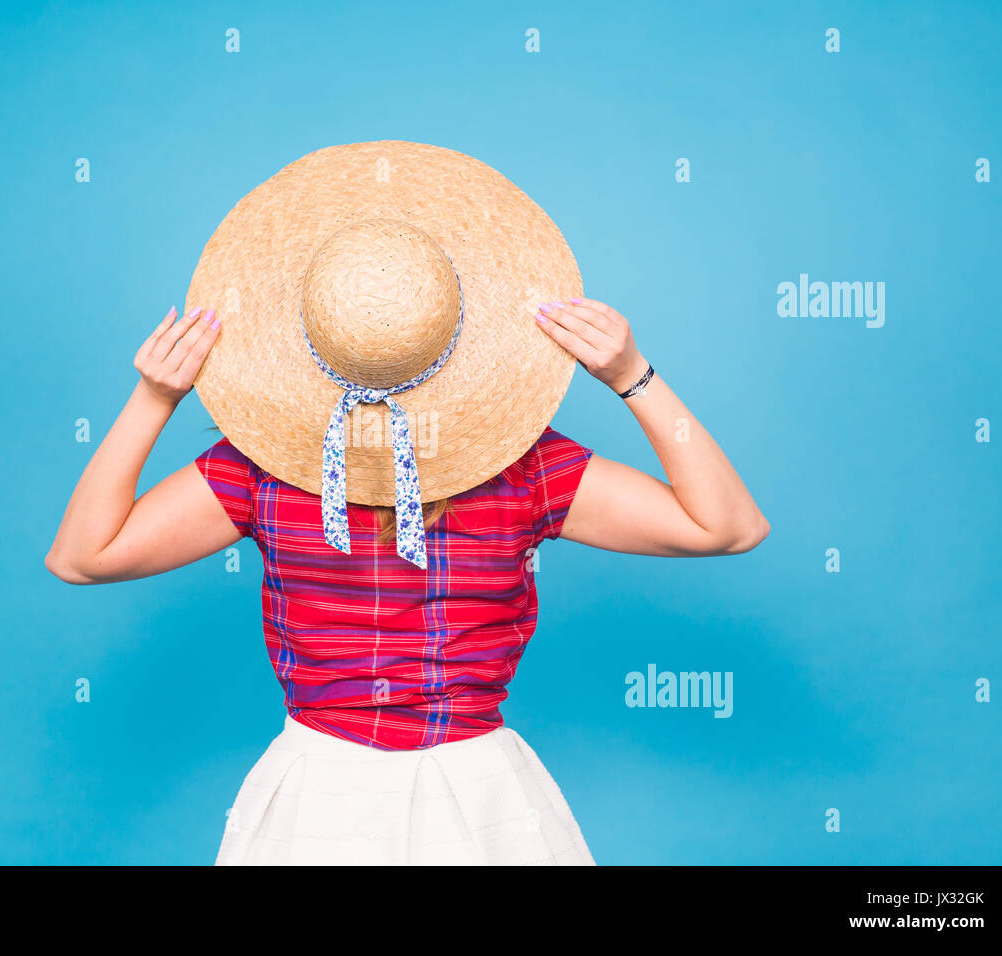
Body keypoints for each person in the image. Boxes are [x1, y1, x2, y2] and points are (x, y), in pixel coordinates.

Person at [45, 142, 768, 865]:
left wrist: (155, 398)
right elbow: (727, 527)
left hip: (322, 800)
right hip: (475, 798)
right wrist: (633, 376)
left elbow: (82, 557)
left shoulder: (258, 472)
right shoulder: (531, 469)